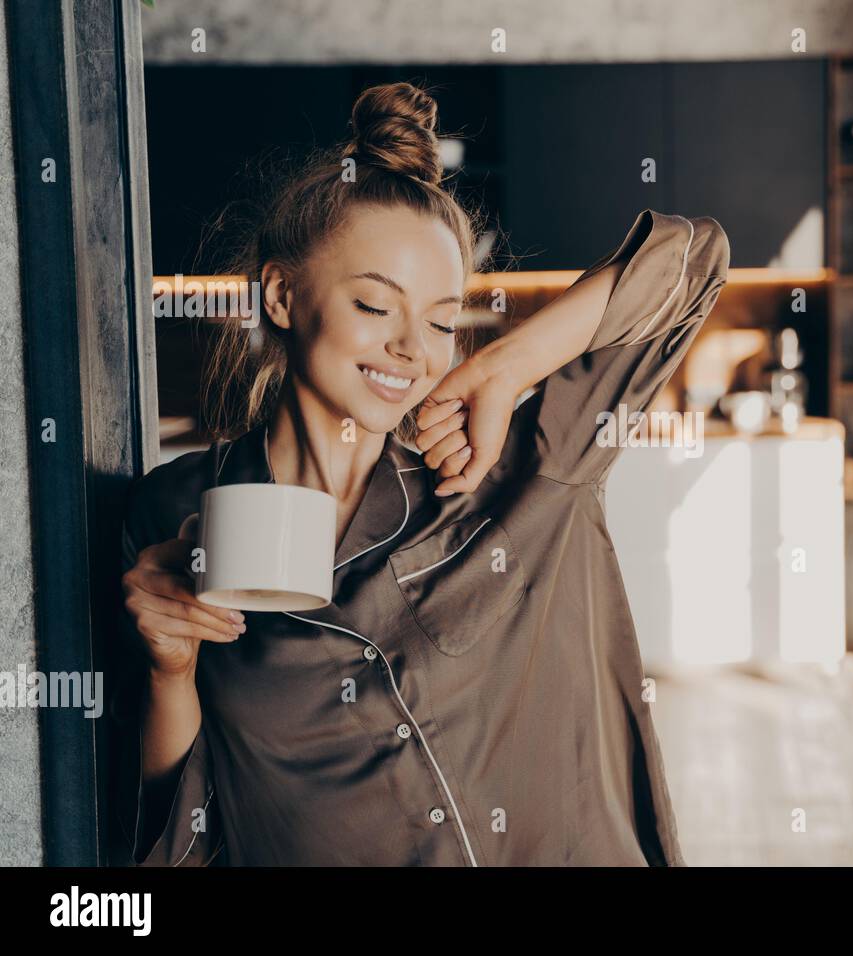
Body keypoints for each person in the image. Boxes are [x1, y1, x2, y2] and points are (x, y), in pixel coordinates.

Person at [111, 81, 729, 865]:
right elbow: (177, 829)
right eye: (376, 306)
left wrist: (507, 365)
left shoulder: (509, 474)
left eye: (442, 320)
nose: (414, 347)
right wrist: (171, 674)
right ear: (281, 294)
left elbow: (693, 259)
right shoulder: (168, 514)